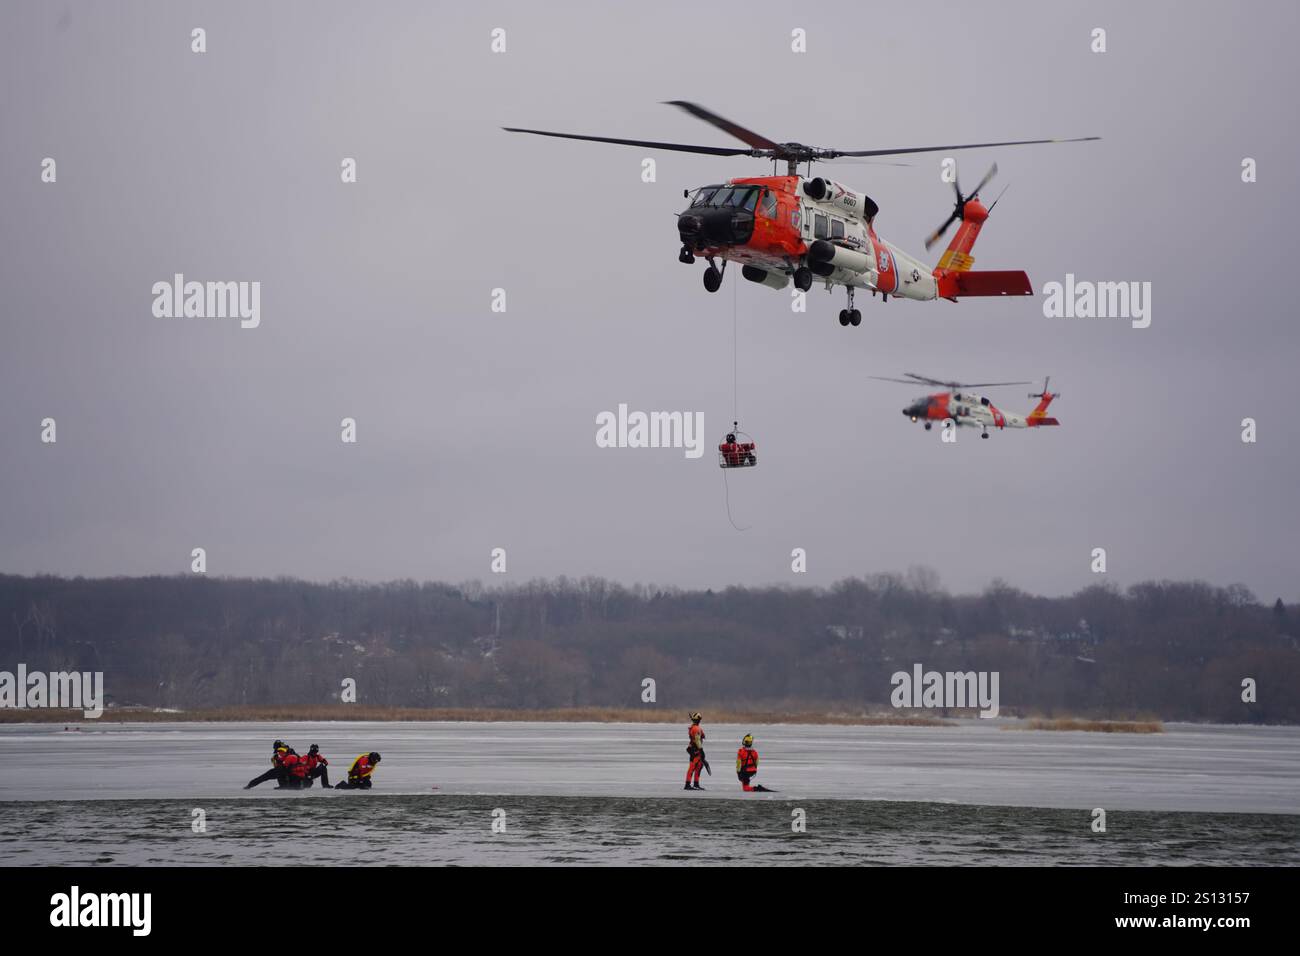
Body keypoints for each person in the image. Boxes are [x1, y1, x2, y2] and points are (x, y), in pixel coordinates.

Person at [684, 712, 707, 791]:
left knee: (699, 767)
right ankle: (687, 784)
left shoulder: (693, 727)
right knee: (693, 767)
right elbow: (697, 740)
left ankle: (696, 784)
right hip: (695, 750)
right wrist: (701, 750)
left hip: (693, 749)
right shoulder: (696, 728)